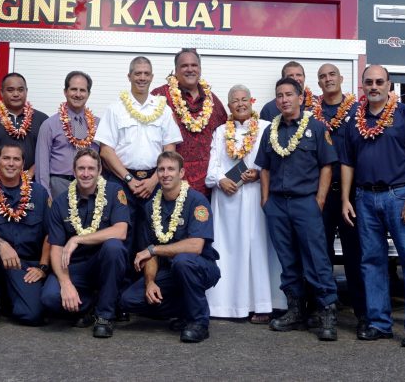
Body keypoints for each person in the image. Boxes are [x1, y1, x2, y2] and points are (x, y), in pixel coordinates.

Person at [340, 65, 405, 347]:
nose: (374, 86)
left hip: (399, 196)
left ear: (389, 85)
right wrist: (345, 198)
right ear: (362, 85)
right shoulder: (353, 120)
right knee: (371, 262)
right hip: (364, 199)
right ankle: (379, 323)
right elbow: (347, 162)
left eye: (380, 82)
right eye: (368, 82)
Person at [256, 77, 340, 342]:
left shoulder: (315, 128)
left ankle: (326, 311)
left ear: (301, 98)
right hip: (278, 205)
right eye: (279, 95)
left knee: (316, 259)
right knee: (287, 259)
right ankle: (295, 310)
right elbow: (265, 167)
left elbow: (327, 166)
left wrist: (320, 199)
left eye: (289, 94)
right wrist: (266, 200)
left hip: (306, 202)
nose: (284, 100)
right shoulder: (270, 131)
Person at [120, 151, 221, 343]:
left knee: (183, 261)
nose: (165, 174)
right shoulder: (151, 206)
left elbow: (196, 246)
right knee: (129, 299)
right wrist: (150, 282)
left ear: (181, 173)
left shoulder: (197, 201)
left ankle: (198, 322)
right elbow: (150, 251)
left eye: (171, 169)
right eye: (161, 170)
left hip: (199, 266)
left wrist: (154, 250)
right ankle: (185, 308)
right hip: (169, 270)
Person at [204, 84, 280, 322]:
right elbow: (212, 166)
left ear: (251, 101)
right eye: (234, 100)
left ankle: (263, 305)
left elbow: (274, 161)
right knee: (229, 251)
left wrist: (258, 173)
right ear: (229, 106)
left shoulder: (267, 128)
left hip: (256, 198)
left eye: (244, 99)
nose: (240, 104)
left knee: (258, 248)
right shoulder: (219, 131)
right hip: (228, 201)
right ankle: (227, 306)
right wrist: (221, 180)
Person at [96, 56, 182, 254]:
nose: (142, 77)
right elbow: (106, 151)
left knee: (152, 233)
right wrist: (129, 179)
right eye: (137, 73)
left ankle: (148, 283)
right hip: (121, 181)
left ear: (152, 77)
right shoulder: (115, 109)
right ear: (129, 76)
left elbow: (169, 149)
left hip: (155, 180)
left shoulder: (163, 109)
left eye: (146, 73)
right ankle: (122, 281)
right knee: (121, 233)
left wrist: (154, 180)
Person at [41, 148, 129, 338]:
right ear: (74, 172)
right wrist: (65, 283)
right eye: (81, 169)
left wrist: (77, 238)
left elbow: (121, 231)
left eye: (91, 168)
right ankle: (92, 303)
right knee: (49, 298)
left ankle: (105, 316)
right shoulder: (60, 202)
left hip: (103, 263)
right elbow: (55, 249)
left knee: (114, 247)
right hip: (74, 267)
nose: (86, 173)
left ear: (99, 171)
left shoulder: (114, 191)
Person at [0, 143, 51, 328]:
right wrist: (2, 245)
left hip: (26, 265)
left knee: (32, 315)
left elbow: (49, 234)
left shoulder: (39, 193)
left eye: (16, 159)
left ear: (23, 164)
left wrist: (43, 268)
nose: (11, 163)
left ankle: (10, 297)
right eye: (6, 158)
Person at [312, 62, 365, 332]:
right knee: (321, 255)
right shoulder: (312, 112)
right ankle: (324, 311)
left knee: (356, 255)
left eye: (332, 74)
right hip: (320, 196)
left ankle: (363, 315)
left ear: (342, 78)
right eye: (322, 77)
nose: (328, 79)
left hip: (351, 196)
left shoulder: (358, 111)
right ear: (318, 83)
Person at [151, 49, 227, 198]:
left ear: (200, 69)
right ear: (176, 70)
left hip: (205, 186)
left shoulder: (212, 100)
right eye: (184, 66)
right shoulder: (159, 97)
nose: (190, 69)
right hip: (169, 182)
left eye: (194, 65)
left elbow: (226, 134)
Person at [34, 70, 100, 198]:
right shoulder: (49, 125)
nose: (78, 94)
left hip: (91, 186)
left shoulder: (99, 124)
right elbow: (42, 166)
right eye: (73, 89)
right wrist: (45, 196)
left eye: (82, 90)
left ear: (88, 94)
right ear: (65, 92)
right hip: (59, 185)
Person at [0, 72, 47, 178]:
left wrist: (29, 174)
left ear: (26, 91)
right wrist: (7, 170)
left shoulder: (42, 119)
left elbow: (47, 152)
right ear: (2, 92)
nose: (16, 94)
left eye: (20, 90)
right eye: (10, 90)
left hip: (33, 183)